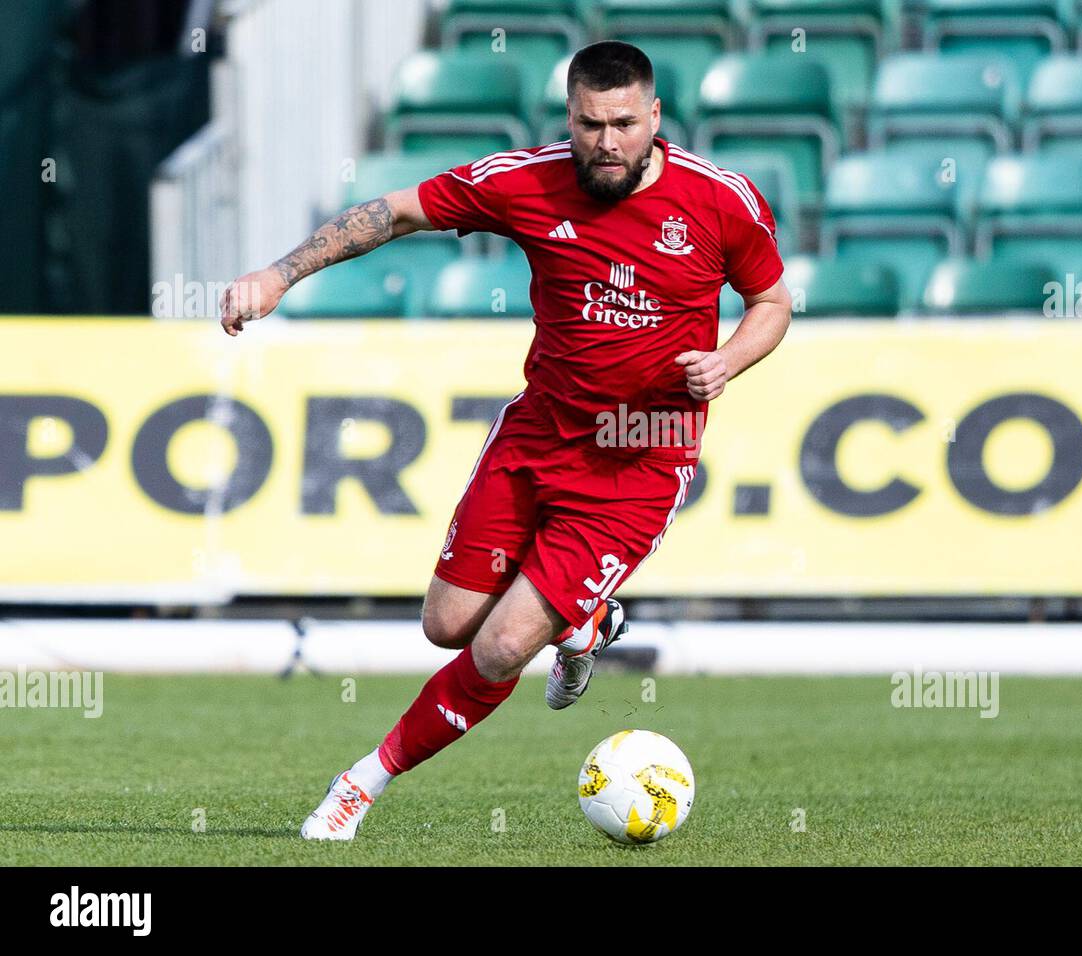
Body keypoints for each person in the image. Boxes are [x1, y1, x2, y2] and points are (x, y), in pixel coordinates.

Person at [219, 40, 791, 840]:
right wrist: (278, 276)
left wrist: (727, 360)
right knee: (447, 626)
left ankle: (358, 785)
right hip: (536, 438)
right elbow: (398, 211)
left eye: (625, 122)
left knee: (498, 648)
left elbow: (772, 301)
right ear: (571, 116)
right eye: (591, 123)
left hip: (640, 461)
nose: (608, 141)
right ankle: (584, 622)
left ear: (655, 117)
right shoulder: (527, 182)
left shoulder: (720, 201)